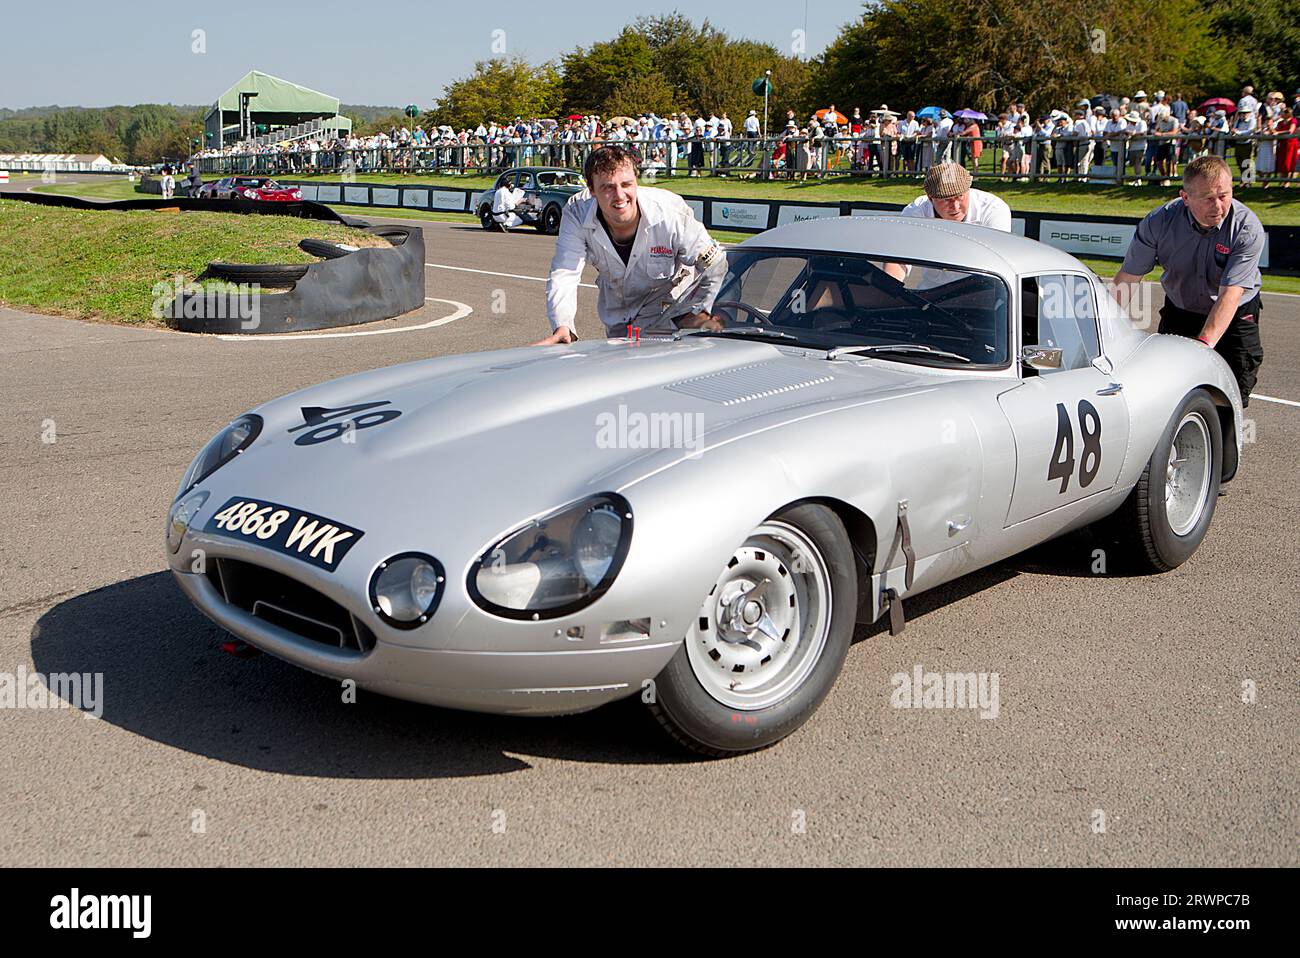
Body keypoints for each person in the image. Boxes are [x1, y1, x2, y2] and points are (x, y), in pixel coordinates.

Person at [1110, 155, 1265, 406]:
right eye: (1208, 198)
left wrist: (1202, 347)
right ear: (1185, 197)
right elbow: (1128, 279)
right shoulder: (1158, 222)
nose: (1218, 205)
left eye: (1224, 195)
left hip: (1235, 313)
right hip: (1181, 308)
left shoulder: (1247, 228)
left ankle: (1226, 441)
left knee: (1230, 395)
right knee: (1169, 389)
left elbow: (1230, 295)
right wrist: (1104, 328)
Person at [536, 145, 727, 344]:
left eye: (626, 184)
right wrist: (563, 324)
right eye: (608, 187)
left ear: (636, 181)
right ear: (591, 190)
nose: (619, 195)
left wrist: (697, 310)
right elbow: (565, 272)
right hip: (618, 318)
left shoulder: (670, 212)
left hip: (670, 315)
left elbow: (715, 264)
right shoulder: (576, 212)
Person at [885, 163, 1011, 281]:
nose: (955, 206)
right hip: (930, 293)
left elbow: (997, 264)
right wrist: (889, 291)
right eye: (946, 200)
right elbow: (897, 258)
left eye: (960, 196)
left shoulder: (994, 210)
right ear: (930, 197)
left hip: (982, 290)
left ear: (969, 189)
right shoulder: (916, 212)